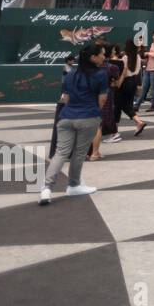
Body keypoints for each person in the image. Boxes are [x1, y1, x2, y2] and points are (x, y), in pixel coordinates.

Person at [39, 43, 109, 205]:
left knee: (61, 152)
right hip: (88, 116)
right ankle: (73, 185)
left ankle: (46, 188)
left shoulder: (71, 74)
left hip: (66, 117)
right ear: (93, 57)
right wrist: (95, 113)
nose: (104, 57)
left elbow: (66, 98)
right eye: (102, 54)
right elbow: (102, 99)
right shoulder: (101, 74)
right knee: (79, 153)